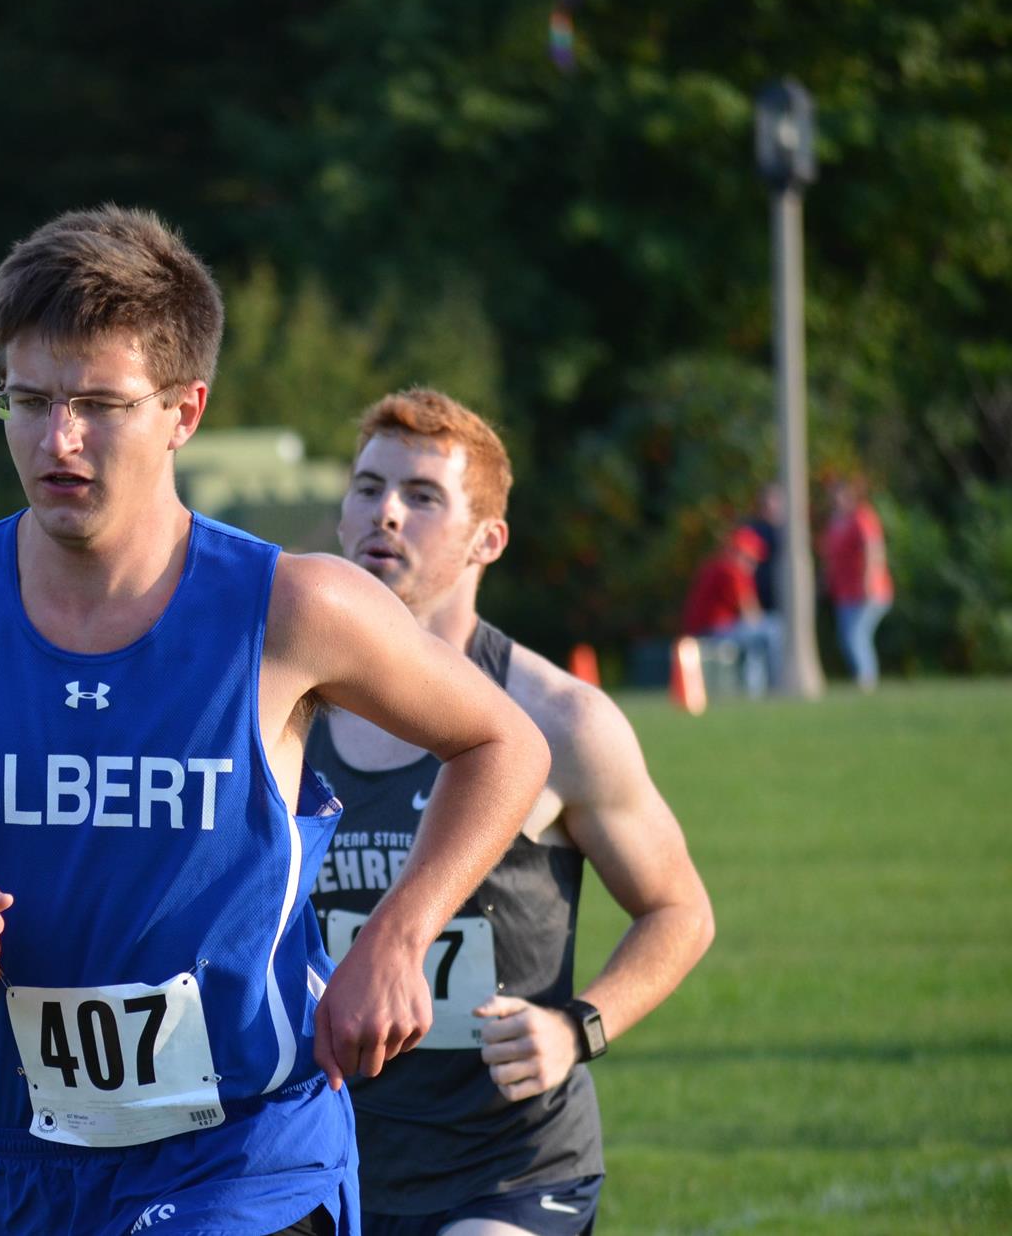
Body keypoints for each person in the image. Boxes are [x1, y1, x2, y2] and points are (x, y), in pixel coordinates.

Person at [0, 208, 551, 1236]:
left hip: (247, 1153)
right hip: (32, 1159)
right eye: (26, 401)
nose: (55, 438)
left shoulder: (293, 606)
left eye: (98, 405)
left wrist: (396, 933)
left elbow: (504, 741)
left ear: (182, 410)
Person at [310, 388, 714, 1236]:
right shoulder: (279, 709)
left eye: (422, 497)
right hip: (318, 1156)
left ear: (486, 539)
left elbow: (679, 910)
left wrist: (577, 1028)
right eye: (367, 487)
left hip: (508, 1173)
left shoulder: (562, 721)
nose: (385, 513)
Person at [678, 528, 776, 698]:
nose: (753, 563)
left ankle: (756, 690)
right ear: (738, 552)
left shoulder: (717, 565)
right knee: (774, 629)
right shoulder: (730, 569)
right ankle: (778, 683)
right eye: (750, 557)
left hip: (712, 629)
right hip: (713, 631)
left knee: (757, 642)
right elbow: (751, 614)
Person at [822, 477, 893, 691]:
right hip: (845, 592)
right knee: (847, 637)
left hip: (869, 590)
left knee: (856, 635)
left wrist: (869, 580)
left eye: (840, 495)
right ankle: (862, 678)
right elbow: (830, 559)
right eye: (833, 496)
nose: (836, 500)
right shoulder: (834, 522)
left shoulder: (862, 518)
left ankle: (866, 680)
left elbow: (874, 549)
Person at [737, 484, 785, 691]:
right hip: (757, 599)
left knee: (774, 639)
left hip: (780, 599)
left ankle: (774, 684)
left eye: (774, 501)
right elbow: (740, 567)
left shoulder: (787, 531)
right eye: (766, 501)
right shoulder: (752, 530)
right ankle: (759, 688)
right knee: (761, 641)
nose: (769, 506)